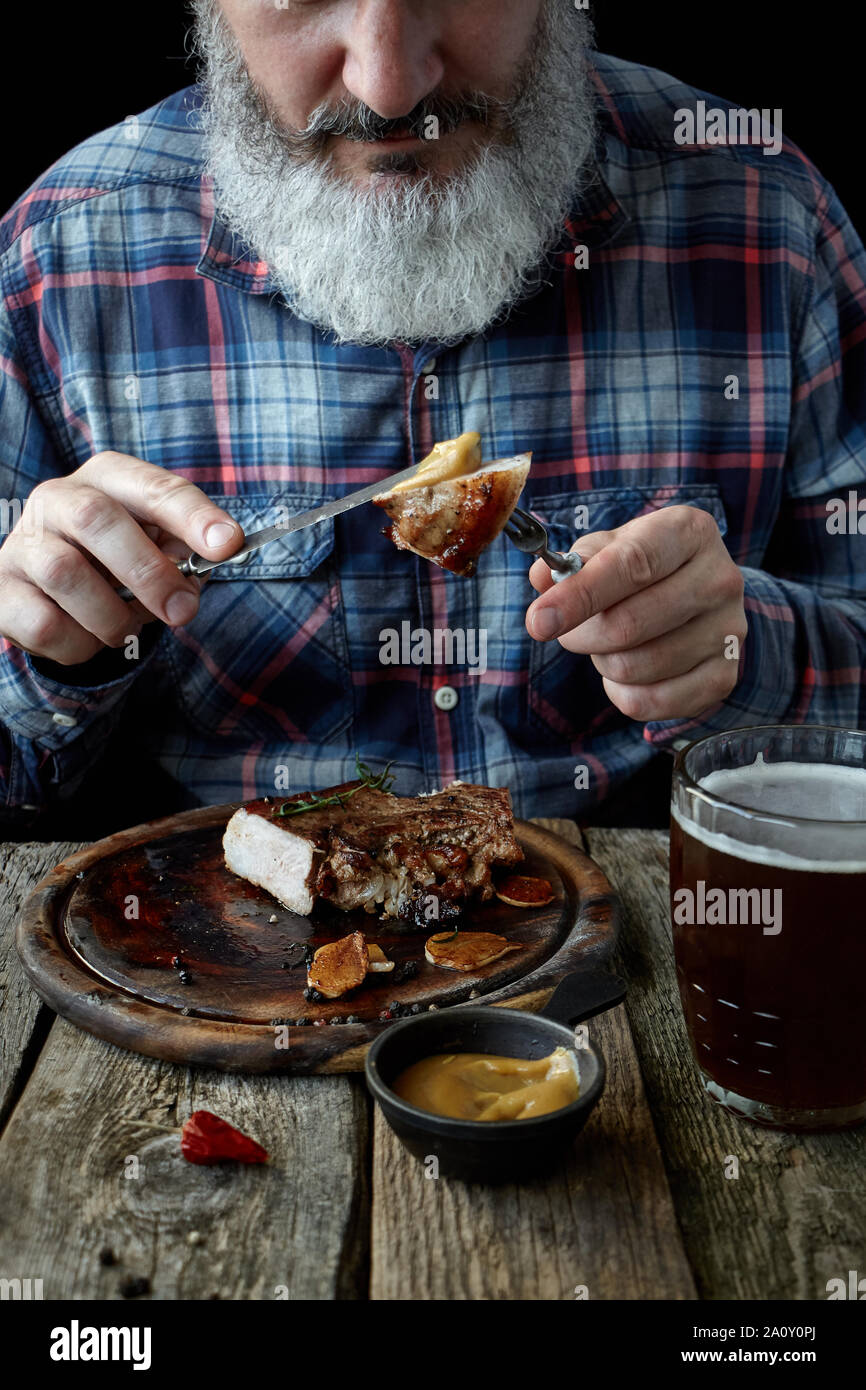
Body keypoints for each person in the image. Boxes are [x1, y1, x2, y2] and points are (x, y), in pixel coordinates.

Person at [0, 0, 863, 836]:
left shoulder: (768, 214)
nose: (389, 87)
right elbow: (15, 779)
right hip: (229, 951)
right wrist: (44, 658)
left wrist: (748, 651)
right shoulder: (56, 261)